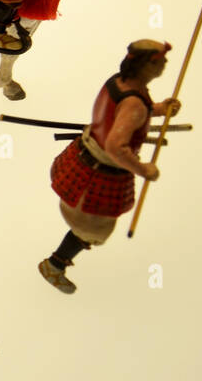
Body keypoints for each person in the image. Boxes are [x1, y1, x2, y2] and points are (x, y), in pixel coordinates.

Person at [41, 41, 180, 293]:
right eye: (162, 61)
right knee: (89, 228)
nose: (166, 65)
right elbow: (116, 147)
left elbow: (125, 111)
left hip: (84, 155)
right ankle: (55, 264)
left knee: (85, 224)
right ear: (148, 64)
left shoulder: (118, 82)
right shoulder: (135, 103)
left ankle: (57, 262)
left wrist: (158, 109)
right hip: (98, 174)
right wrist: (143, 169)